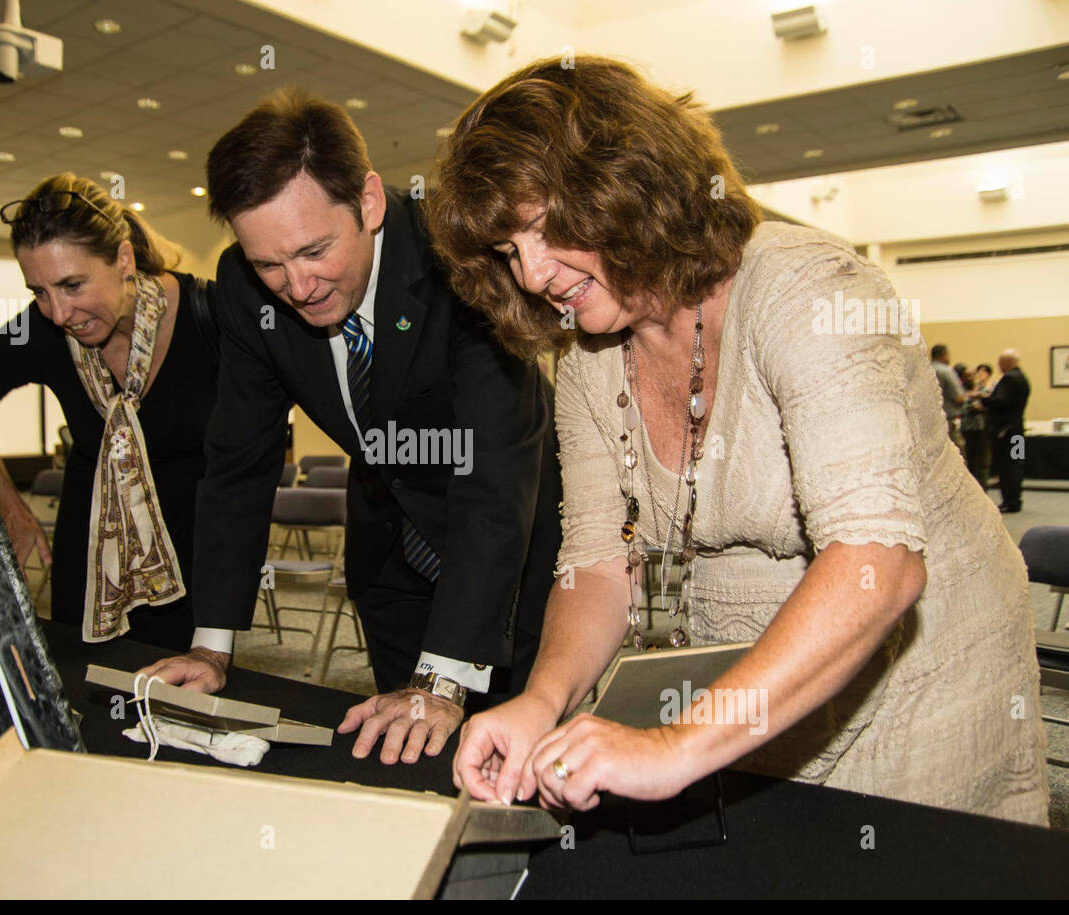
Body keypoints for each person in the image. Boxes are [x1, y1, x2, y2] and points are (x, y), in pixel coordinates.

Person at [425, 56, 1047, 824]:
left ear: (622, 183)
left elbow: (876, 566)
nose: (532, 273)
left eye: (541, 229)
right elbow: (595, 560)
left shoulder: (809, 290)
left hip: (921, 678)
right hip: (748, 687)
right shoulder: (588, 356)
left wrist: (676, 745)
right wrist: (541, 701)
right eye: (507, 251)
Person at [137, 88, 562, 766]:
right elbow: (238, 461)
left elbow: (494, 467)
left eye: (314, 251)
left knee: (517, 756)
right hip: (391, 545)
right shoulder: (246, 293)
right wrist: (210, 646)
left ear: (367, 201)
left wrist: (445, 676)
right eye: (270, 263)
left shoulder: (459, 253)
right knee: (405, 752)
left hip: (511, 541)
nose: (296, 286)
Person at [0, 173, 220, 651]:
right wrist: (10, 506)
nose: (57, 313)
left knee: (184, 712)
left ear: (123, 258)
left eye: (72, 284)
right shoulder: (42, 329)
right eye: (40, 291)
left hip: (195, 555)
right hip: (88, 558)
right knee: (86, 696)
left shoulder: (210, 315)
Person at [981, 349, 1031, 514]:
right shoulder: (1023, 378)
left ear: (1006, 363)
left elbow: (1001, 401)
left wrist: (983, 400)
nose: (998, 366)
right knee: (1017, 463)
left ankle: (1009, 501)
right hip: (1018, 429)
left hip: (1006, 431)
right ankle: (1016, 499)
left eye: (1000, 363)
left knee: (1006, 466)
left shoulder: (1009, 378)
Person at [961, 362, 993, 488]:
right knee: (969, 461)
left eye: (972, 375)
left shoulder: (982, 390)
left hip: (981, 428)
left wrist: (981, 408)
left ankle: (982, 489)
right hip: (965, 428)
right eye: (967, 376)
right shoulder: (960, 391)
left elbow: (991, 405)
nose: (971, 378)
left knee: (982, 462)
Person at [931, 344, 965, 451]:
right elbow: (959, 398)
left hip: (929, 421)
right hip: (948, 420)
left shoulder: (923, 370)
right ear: (944, 355)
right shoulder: (946, 371)